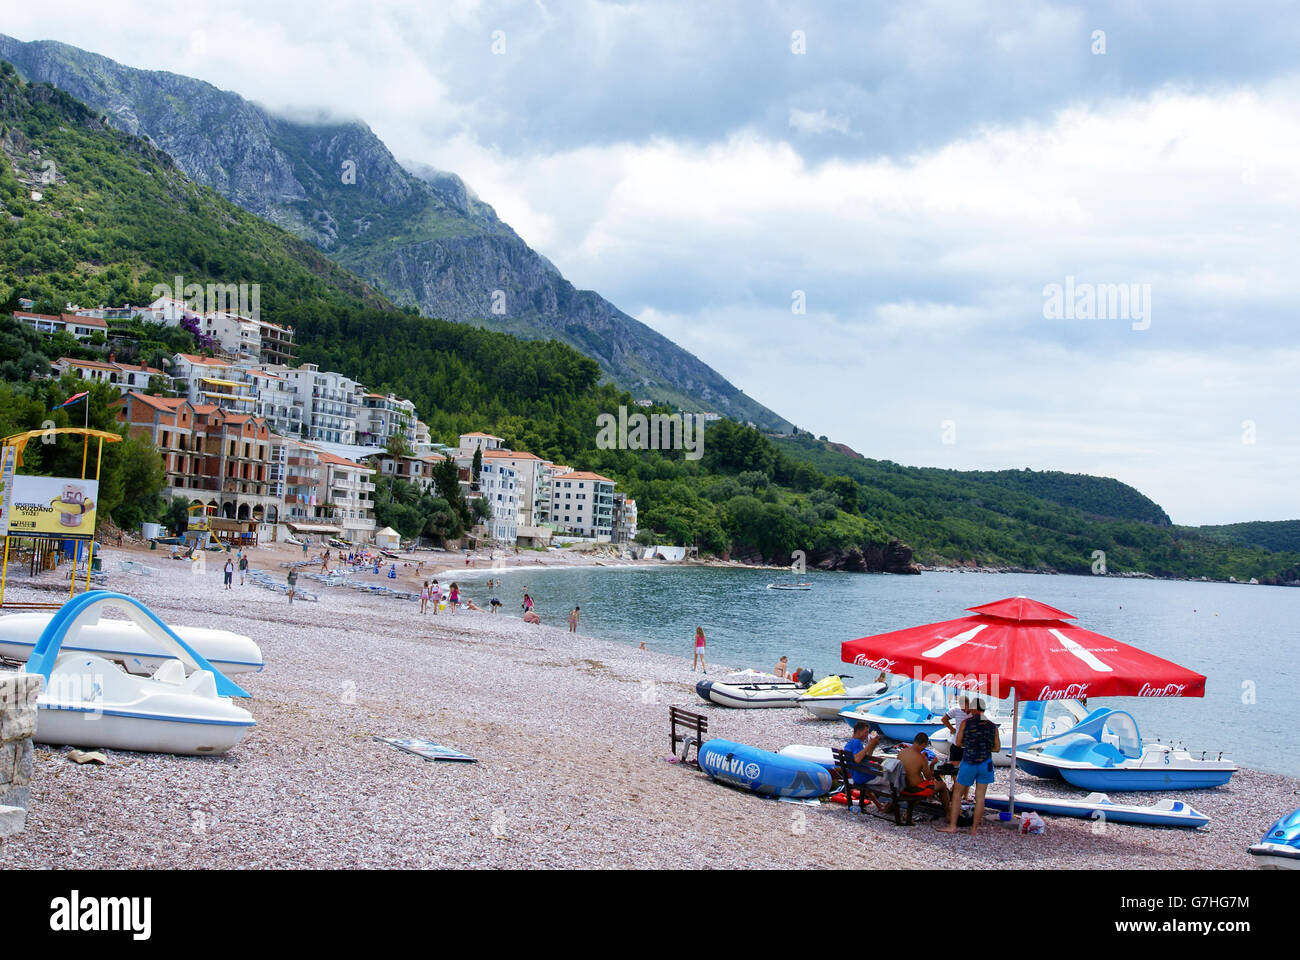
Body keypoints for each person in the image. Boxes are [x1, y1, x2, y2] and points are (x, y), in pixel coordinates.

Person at [940, 699, 1000, 835]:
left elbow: (958, 742)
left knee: (957, 794)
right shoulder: (992, 726)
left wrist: (971, 745)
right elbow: (997, 748)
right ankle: (974, 829)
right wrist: (984, 748)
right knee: (980, 797)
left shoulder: (966, 723)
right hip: (985, 763)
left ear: (973, 709)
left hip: (969, 762)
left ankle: (953, 826)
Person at [888, 733, 950, 824]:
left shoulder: (902, 752)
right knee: (942, 786)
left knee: (924, 784)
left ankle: (905, 811)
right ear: (924, 744)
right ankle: (948, 813)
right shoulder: (921, 758)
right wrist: (932, 764)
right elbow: (929, 778)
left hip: (901, 786)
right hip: (914, 790)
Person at [842, 722, 885, 808]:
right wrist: (870, 744)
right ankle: (893, 803)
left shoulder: (850, 744)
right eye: (866, 732)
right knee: (892, 777)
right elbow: (857, 759)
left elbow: (865, 759)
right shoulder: (857, 742)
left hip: (857, 776)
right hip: (864, 777)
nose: (867, 734)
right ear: (858, 732)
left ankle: (879, 805)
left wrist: (872, 745)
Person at [941, 694, 973, 767]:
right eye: (961, 708)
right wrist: (952, 729)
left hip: (969, 744)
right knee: (954, 767)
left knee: (969, 767)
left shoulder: (974, 712)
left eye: (964, 707)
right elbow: (944, 719)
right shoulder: (956, 710)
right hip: (957, 743)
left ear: (968, 704)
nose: (963, 710)